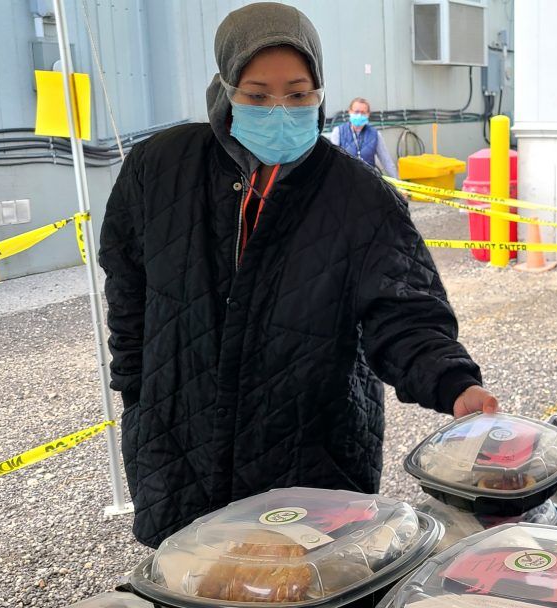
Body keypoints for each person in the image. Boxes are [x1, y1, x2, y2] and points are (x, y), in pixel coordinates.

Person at [98, 2, 497, 549]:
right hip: (179, 444)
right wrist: (138, 395)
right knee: (196, 579)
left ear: (319, 93)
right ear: (225, 90)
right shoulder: (159, 168)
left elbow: (404, 313)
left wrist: (454, 382)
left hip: (313, 452)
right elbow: (127, 292)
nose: (279, 109)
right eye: (257, 95)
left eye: (298, 93)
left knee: (305, 582)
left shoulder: (360, 197)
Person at [328, 98, 398, 178]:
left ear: (368, 114)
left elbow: (387, 162)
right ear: (350, 112)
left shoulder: (375, 134)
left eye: (363, 112)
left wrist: (399, 184)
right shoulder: (338, 132)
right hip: (345, 179)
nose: (359, 115)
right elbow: (331, 160)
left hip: (368, 180)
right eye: (356, 112)